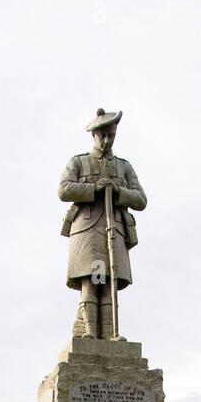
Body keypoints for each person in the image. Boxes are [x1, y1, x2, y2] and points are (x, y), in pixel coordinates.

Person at [58, 108, 147, 338]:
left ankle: (109, 334)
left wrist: (118, 191)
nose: (107, 140)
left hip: (114, 230)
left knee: (108, 283)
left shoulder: (123, 167)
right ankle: (90, 332)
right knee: (91, 281)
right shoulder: (79, 162)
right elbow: (63, 189)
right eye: (103, 136)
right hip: (87, 230)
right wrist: (93, 188)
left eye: (111, 135)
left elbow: (140, 199)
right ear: (94, 135)